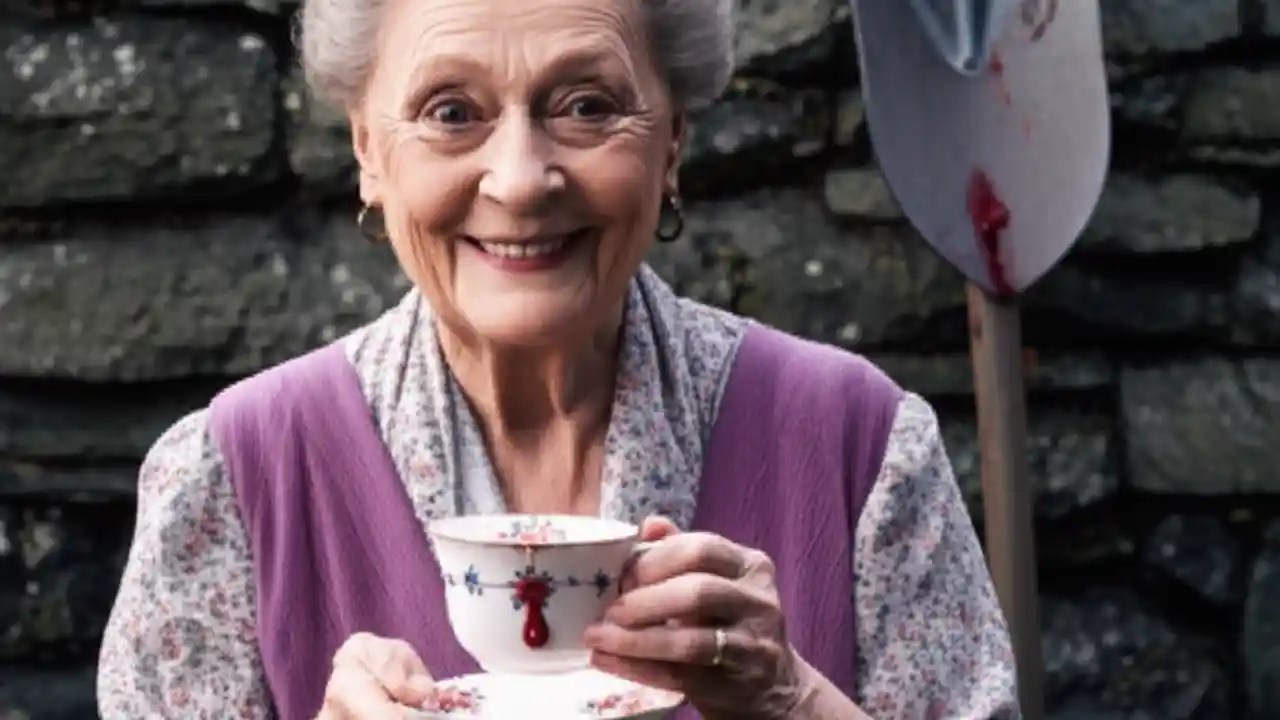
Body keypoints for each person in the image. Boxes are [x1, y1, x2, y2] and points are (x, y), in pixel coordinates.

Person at [96, 0, 1020, 718]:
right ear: (368, 152)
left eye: (587, 105)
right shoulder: (229, 480)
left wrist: (786, 699)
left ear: (673, 144)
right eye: (450, 112)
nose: (520, 179)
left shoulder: (859, 449)